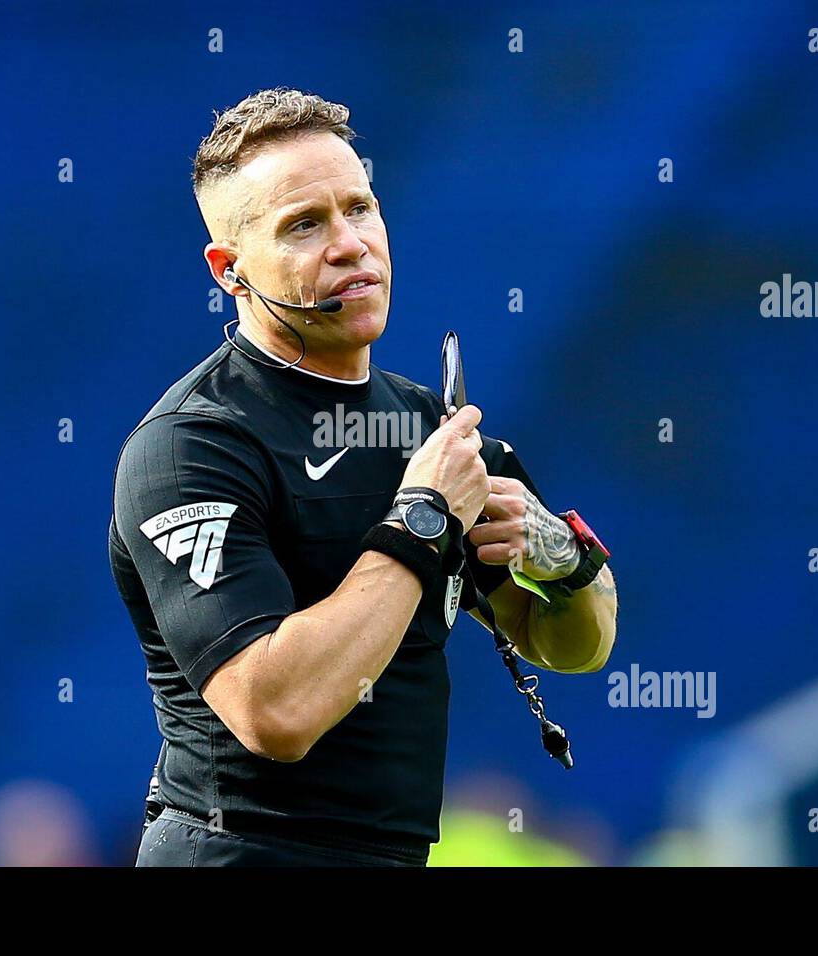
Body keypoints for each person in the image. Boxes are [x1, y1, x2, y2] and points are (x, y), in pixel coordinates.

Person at [110, 88, 618, 867]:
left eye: (361, 208)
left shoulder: (429, 426)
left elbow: (576, 644)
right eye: (305, 224)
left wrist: (552, 552)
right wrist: (422, 518)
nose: (350, 244)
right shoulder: (191, 446)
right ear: (230, 270)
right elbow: (275, 710)